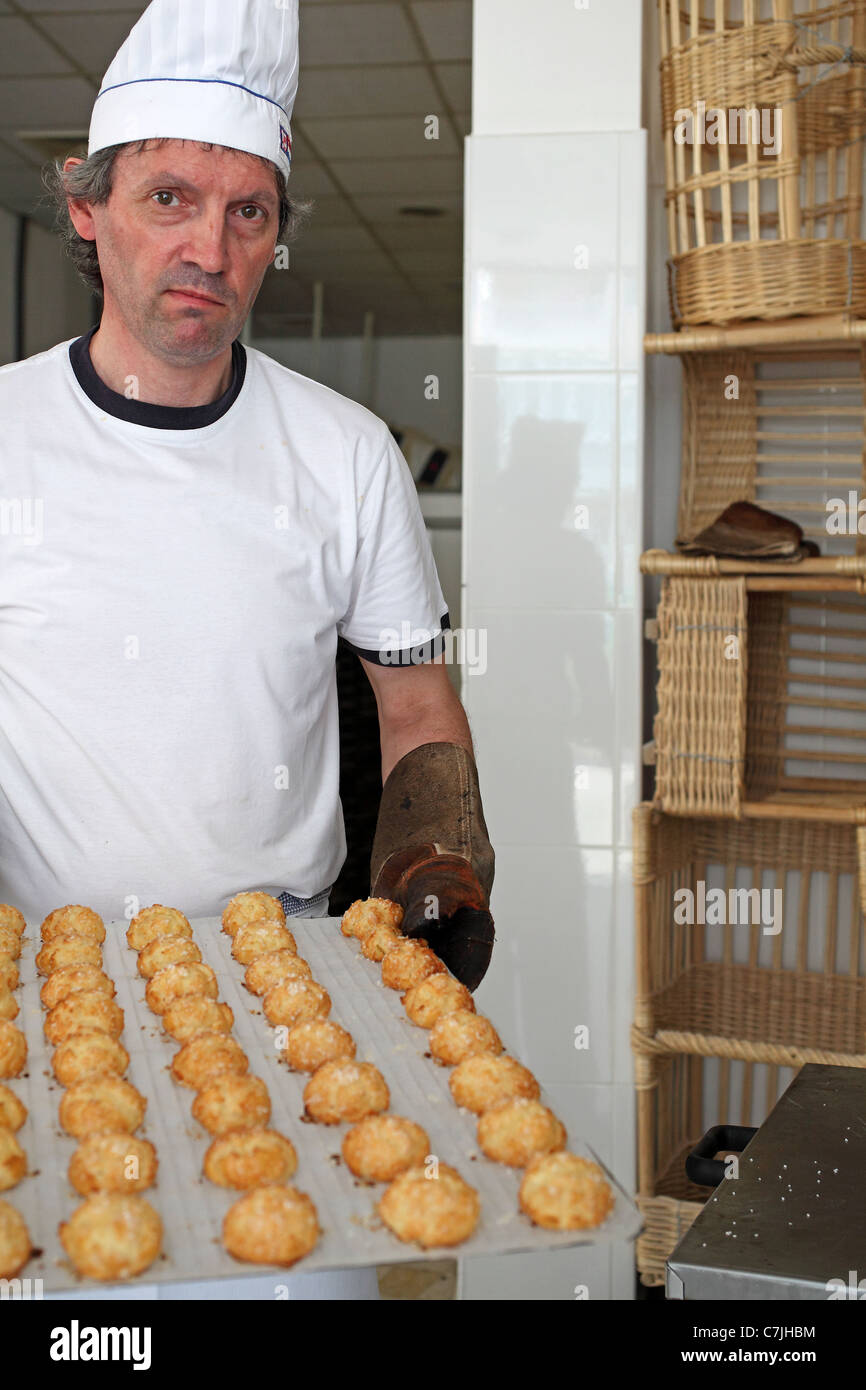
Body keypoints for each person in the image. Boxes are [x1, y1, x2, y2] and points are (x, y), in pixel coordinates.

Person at [0, 0, 495, 1298]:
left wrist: (441, 867)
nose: (206, 247)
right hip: (37, 1035)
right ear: (88, 207)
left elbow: (417, 713)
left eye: (248, 212)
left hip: (288, 1027)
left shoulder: (344, 453)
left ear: (275, 232)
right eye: (169, 195)